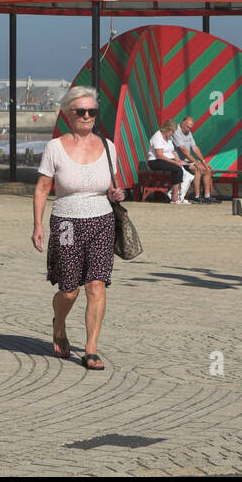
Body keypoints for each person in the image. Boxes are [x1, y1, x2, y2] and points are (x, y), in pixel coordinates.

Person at [33, 86, 126, 370]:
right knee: (70, 290)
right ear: (68, 114)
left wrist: (116, 194)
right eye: (81, 111)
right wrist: (37, 225)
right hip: (66, 223)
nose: (87, 117)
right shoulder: (54, 148)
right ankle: (59, 324)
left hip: (102, 221)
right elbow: (42, 189)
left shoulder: (108, 147)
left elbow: (111, 186)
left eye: (92, 112)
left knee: (96, 284)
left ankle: (91, 349)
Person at [147, 119, 194, 204]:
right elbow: (160, 155)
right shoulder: (157, 136)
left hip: (167, 159)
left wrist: (179, 160)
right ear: (167, 129)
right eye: (172, 132)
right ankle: (174, 197)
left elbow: (172, 152)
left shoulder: (168, 138)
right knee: (178, 169)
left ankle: (180, 195)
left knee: (188, 166)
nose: (173, 134)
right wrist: (175, 163)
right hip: (155, 161)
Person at [173, 115, 216, 203]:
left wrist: (204, 162)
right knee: (197, 169)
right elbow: (184, 151)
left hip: (187, 161)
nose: (188, 129)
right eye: (187, 127)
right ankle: (197, 196)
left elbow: (194, 147)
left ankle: (207, 196)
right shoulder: (176, 131)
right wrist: (196, 163)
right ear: (182, 123)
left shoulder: (188, 132)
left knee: (207, 170)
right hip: (178, 161)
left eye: (190, 128)